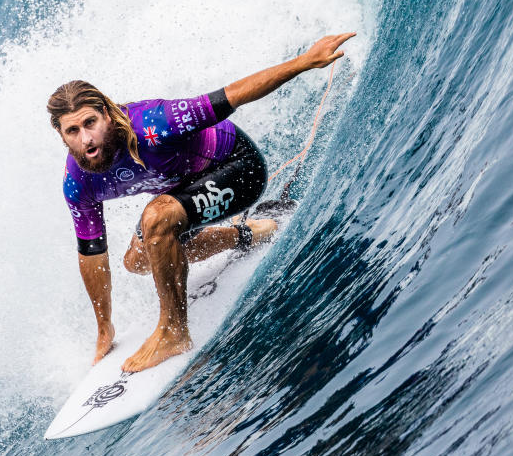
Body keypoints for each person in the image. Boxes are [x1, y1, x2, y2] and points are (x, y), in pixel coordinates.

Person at [47, 33, 356, 372]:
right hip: (183, 193)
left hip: (238, 169)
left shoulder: (154, 123)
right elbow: (92, 253)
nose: (86, 138)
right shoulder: (79, 181)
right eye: (72, 131)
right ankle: (248, 235)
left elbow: (232, 96)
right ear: (62, 136)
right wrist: (104, 328)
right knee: (137, 261)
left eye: (90, 122)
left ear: (106, 114)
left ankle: (174, 332)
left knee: (157, 218)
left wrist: (303, 62)